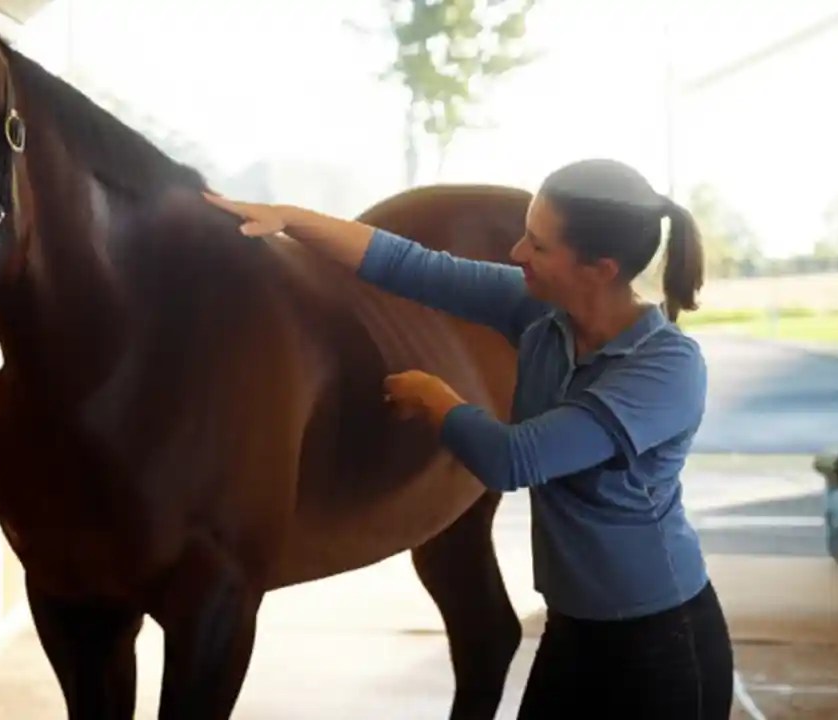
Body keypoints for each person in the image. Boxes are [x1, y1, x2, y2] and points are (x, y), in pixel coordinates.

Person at [202, 157, 734, 719]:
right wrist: (289, 220)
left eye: (538, 244)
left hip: (661, 640)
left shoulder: (665, 368)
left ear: (599, 269)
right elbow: (407, 264)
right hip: (574, 627)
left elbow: (517, 459)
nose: (517, 253)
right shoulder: (539, 315)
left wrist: (436, 399)